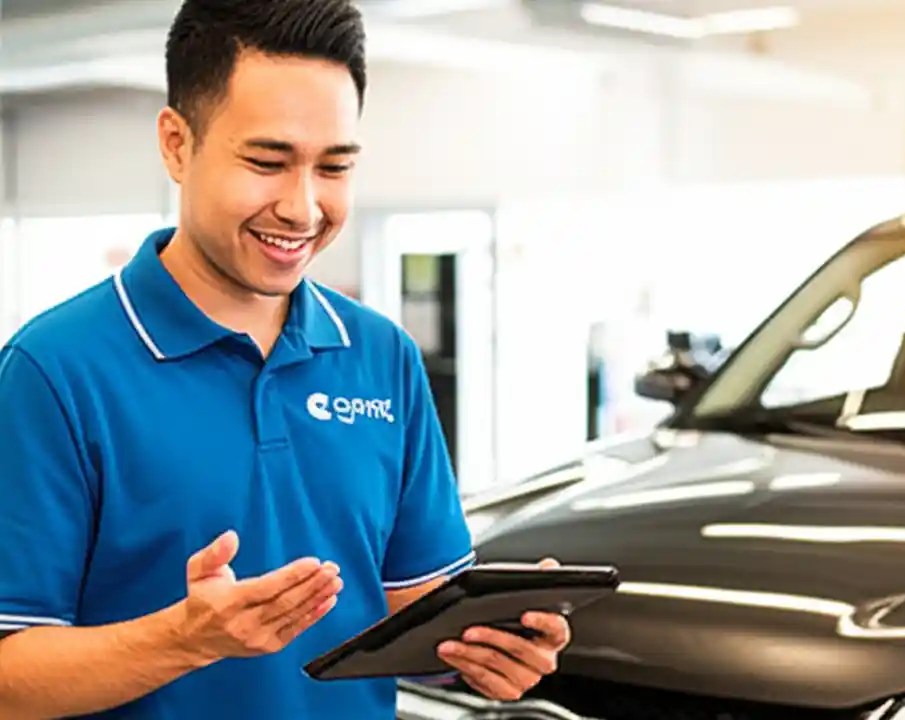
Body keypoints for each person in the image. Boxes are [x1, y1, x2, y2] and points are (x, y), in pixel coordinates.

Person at [0, 0, 570, 717]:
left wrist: (485, 646)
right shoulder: (53, 371)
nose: (303, 208)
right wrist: (184, 639)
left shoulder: (381, 355)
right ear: (177, 145)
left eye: (333, 167)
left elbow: (411, 603)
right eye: (268, 162)